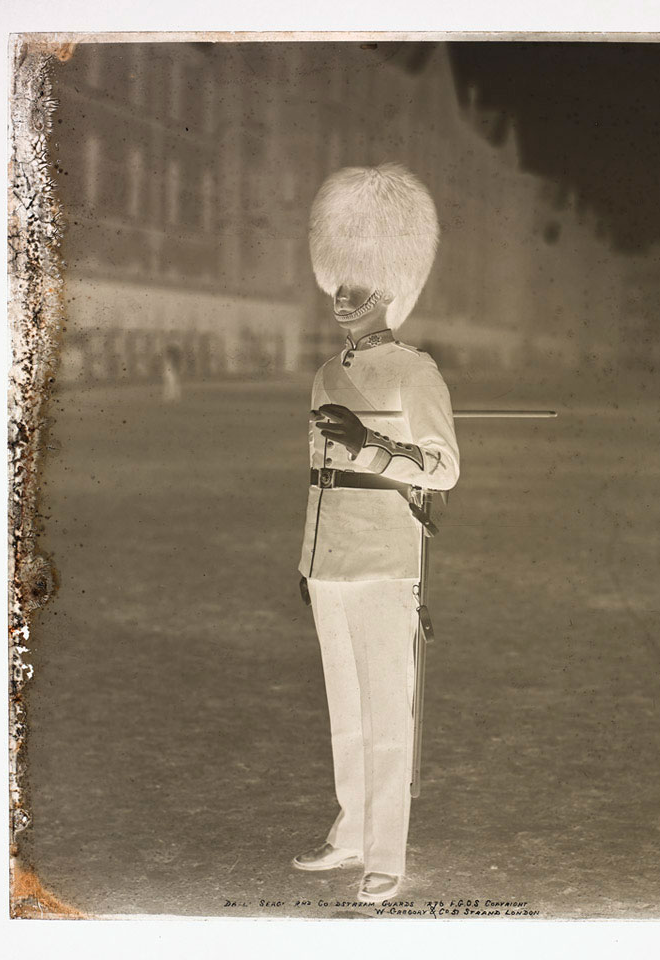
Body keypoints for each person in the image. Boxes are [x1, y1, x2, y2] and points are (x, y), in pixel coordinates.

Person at [292, 163, 460, 904]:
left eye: (357, 283)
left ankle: (386, 855)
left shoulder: (413, 372)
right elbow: (318, 480)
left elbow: (444, 468)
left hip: (386, 562)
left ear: (388, 289)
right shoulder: (327, 369)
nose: (342, 295)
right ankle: (352, 830)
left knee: (388, 714)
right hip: (329, 561)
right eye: (337, 280)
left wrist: (366, 441)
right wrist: (308, 561)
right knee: (345, 710)